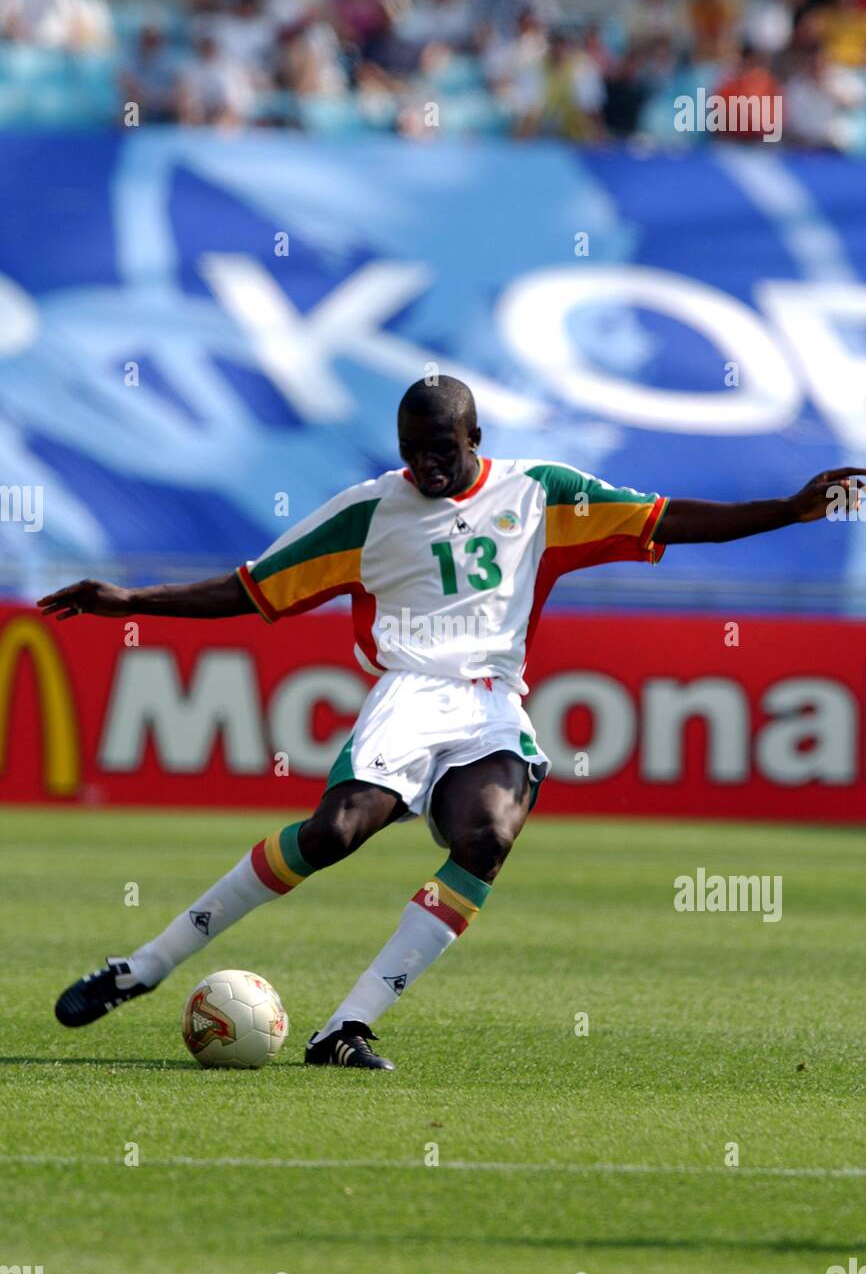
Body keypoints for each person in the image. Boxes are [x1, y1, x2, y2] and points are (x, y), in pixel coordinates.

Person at [43, 377, 864, 1070]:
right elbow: (250, 589)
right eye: (413, 450)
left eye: (443, 449)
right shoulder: (366, 514)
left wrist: (792, 510)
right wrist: (129, 600)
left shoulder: (542, 492)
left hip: (490, 703)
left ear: (477, 436)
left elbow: (670, 519)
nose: (427, 466)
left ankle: (345, 1027)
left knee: (486, 837)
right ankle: (142, 967)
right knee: (332, 836)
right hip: (407, 693)